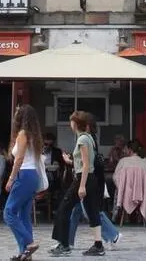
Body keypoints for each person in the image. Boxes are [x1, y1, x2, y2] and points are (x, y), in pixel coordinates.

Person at [51, 110, 105, 257]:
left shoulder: (82, 140)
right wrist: (70, 161)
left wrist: (81, 186)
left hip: (83, 178)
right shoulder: (90, 138)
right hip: (91, 177)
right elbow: (84, 162)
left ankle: (64, 244)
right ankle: (98, 244)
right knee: (92, 212)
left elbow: (86, 164)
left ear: (75, 124)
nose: (70, 124)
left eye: (71, 121)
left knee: (64, 208)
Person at [4, 105, 42, 260]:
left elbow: (19, 159)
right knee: (24, 215)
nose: (15, 114)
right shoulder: (34, 135)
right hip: (33, 175)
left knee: (9, 212)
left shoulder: (22, 134)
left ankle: (29, 243)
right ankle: (25, 254)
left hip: (24, 175)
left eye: (17, 112)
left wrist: (11, 178)